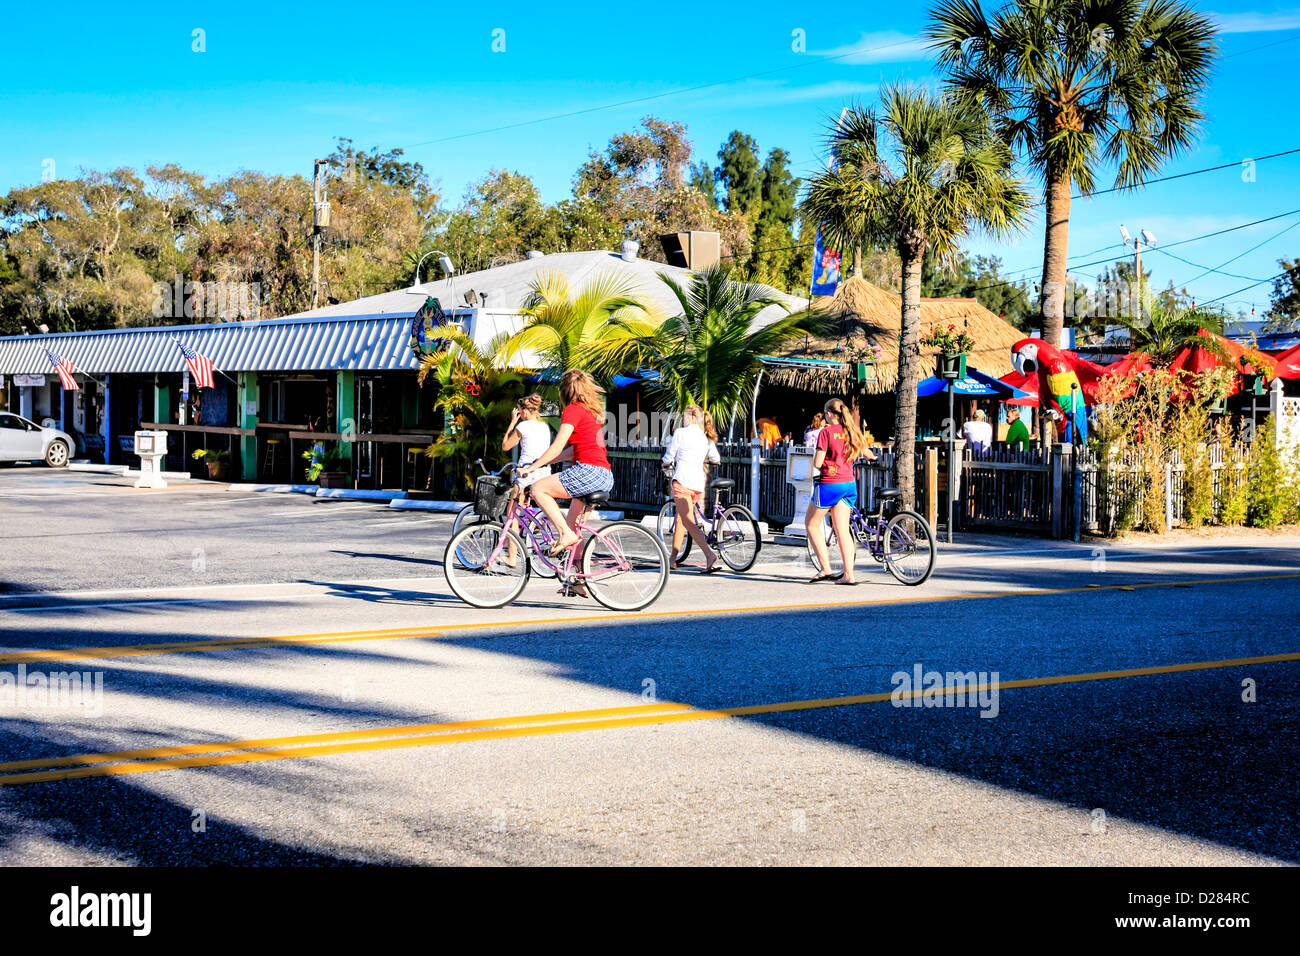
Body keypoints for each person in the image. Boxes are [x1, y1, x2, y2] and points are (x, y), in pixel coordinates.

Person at [516, 370, 614, 581]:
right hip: (603, 474)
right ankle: (579, 581)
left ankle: (565, 535)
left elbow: (557, 445)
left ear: (564, 391)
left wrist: (532, 468)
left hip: (589, 472)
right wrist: (541, 463)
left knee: (538, 488)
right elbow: (569, 451)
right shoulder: (589, 412)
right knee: (573, 528)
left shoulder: (572, 410)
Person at [806, 398, 872, 585]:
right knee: (842, 530)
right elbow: (867, 452)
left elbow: (818, 463)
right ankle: (849, 575)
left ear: (828, 414)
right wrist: (870, 457)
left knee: (811, 524)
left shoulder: (826, 432)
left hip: (829, 484)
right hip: (849, 484)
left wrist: (822, 462)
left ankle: (826, 568)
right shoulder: (851, 431)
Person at [662, 405, 721, 572]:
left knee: (688, 521)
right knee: (681, 519)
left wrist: (665, 463)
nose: (684, 419)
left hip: (682, 481)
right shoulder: (705, 437)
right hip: (697, 484)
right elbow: (716, 458)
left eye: (686, 416)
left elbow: (669, 455)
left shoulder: (680, 433)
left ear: (692, 417)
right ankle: (672, 559)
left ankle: (709, 555)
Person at [500, 394, 551, 566]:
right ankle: (536, 523)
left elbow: (506, 445)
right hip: (543, 472)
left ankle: (512, 557)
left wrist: (512, 423)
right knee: (531, 506)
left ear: (522, 410)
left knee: (512, 514)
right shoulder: (544, 426)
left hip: (526, 473)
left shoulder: (523, 425)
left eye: (519, 410)